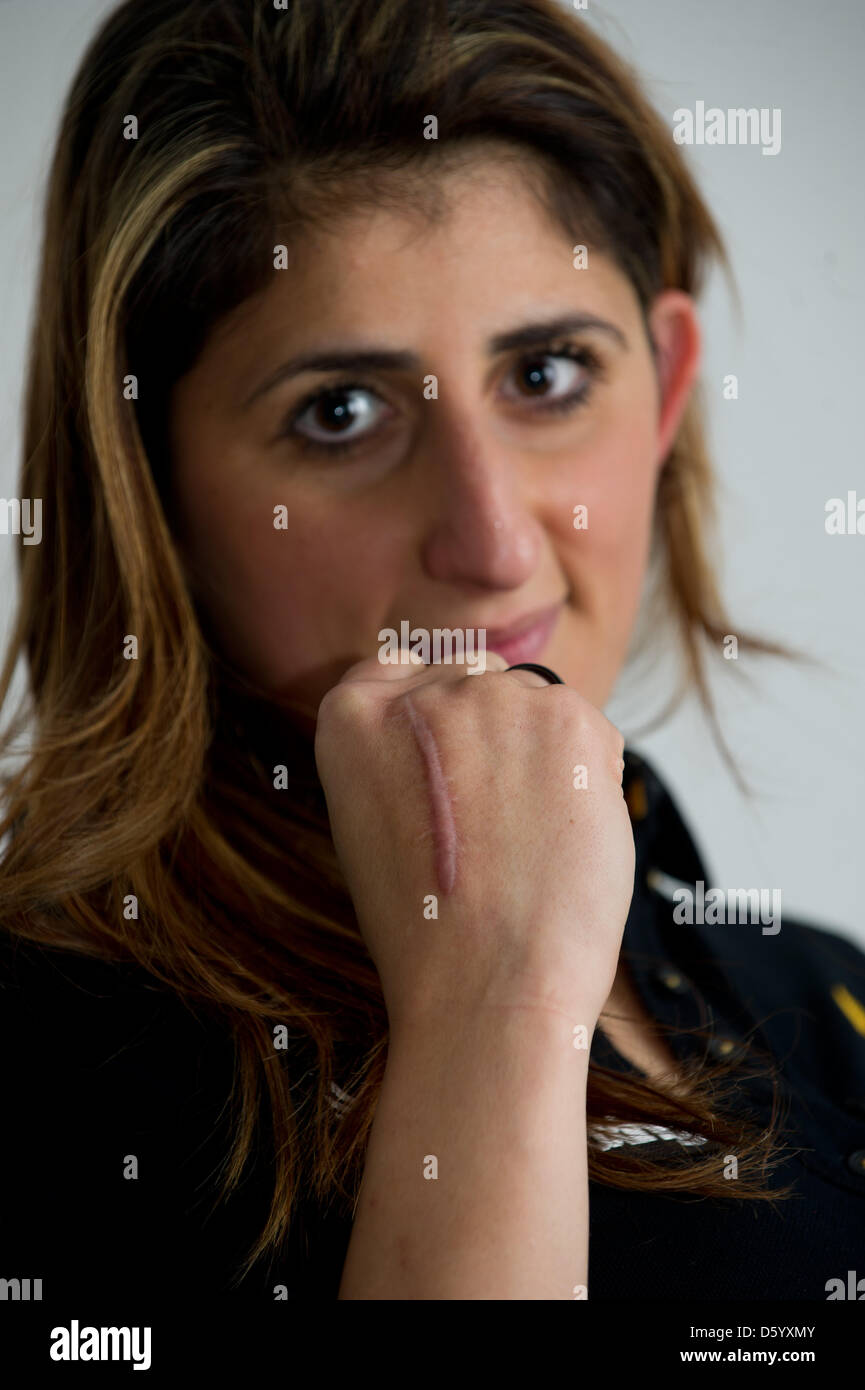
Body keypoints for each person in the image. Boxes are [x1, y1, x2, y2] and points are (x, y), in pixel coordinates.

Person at [1, 0, 863, 1309]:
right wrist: (487, 1022)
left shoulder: (822, 996)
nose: (492, 539)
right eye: (339, 413)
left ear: (666, 386)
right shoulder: (52, 1066)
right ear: (151, 495)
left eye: (547, 373)